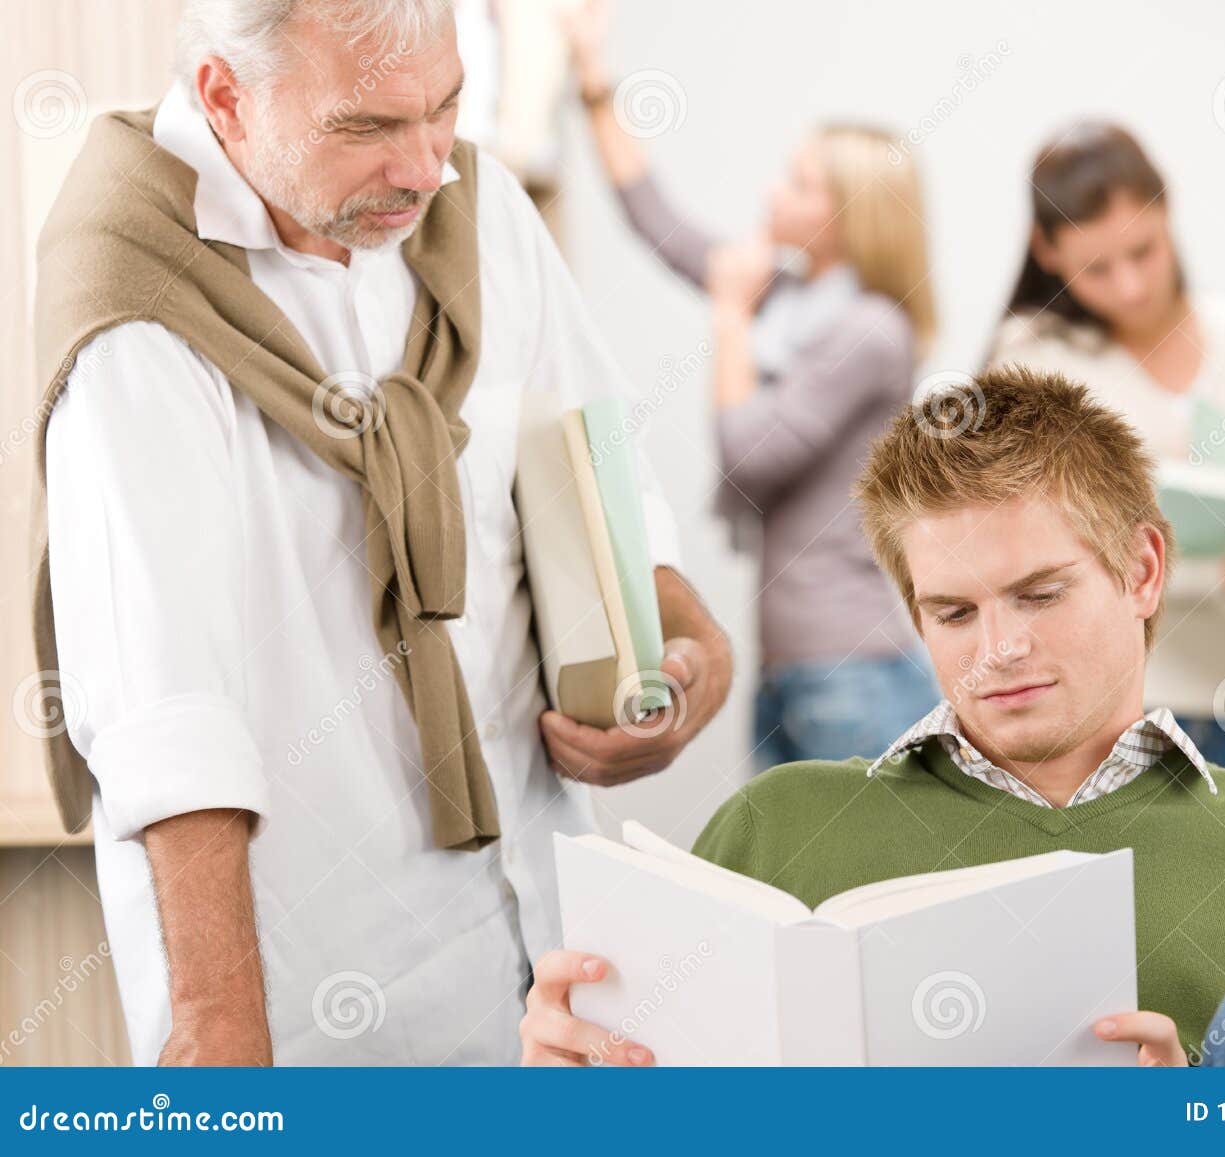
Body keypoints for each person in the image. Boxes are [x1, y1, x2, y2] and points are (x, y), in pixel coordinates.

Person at [30, 0, 732, 1065]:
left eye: (443, 108)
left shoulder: (483, 212)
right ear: (226, 96)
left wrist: (688, 656)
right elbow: (161, 694)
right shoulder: (131, 285)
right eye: (365, 127)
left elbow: (601, 469)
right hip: (316, 993)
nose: (423, 169)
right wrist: (218, 1028)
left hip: (554, 957)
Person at [518, 367, 1225, 1068]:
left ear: (1142, 570)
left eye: (1040, 594)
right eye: (954, 612)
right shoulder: (776, 828)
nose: (997, 649)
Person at [562, 0, 940, 769]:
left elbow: (749, 449)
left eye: (799, 184)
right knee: (783, 887)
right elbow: (658, 222)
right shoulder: (794, 304)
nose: (772, 194)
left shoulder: (870, 329)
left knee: (868, 889)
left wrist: (731, 313)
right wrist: (593, 78)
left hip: (851, 671)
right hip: (795, 667)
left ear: (850, 217)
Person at [987, 122, 1225, 788]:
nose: (1130, 286)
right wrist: (1214, 579)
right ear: (1047, 252)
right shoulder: (1031, 359)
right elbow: (1021, 555)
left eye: (1144, 251)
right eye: (1097, 268)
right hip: (1097, 718)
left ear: (1167, 211)